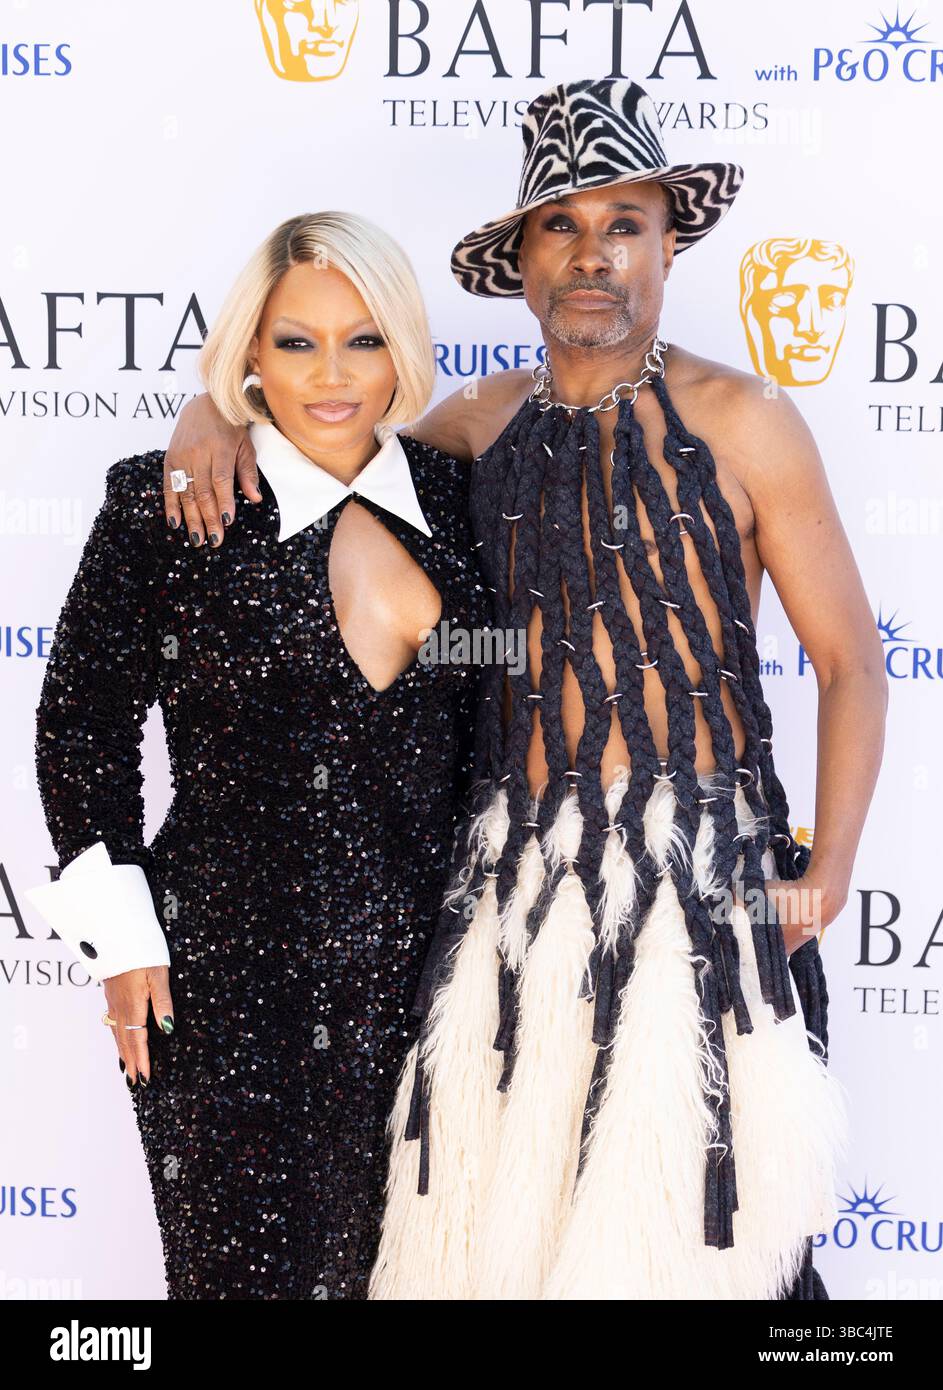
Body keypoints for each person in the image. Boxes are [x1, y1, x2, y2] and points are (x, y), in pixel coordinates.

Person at [162, 79, 886, 1300]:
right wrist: (205, 412)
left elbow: (852, 661)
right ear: (522, 257)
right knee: (505, 1253)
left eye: (624, 223)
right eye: (561, 225)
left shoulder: (751, 421)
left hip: (704, 885)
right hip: (507, 896)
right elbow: (318, 441)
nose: (592, 254)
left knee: (718, 1248)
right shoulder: (465, 431)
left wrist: (828, 875)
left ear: (669, 242)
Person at [26, 211, 489, 1300]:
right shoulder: (171, 504)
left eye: (364, 338)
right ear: (248, 351)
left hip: (438, 992)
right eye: (296, 340)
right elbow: (79, 725)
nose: (333, 373)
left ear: (405, 346)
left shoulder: (466, 506)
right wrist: (122, 936)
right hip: (227, 984)